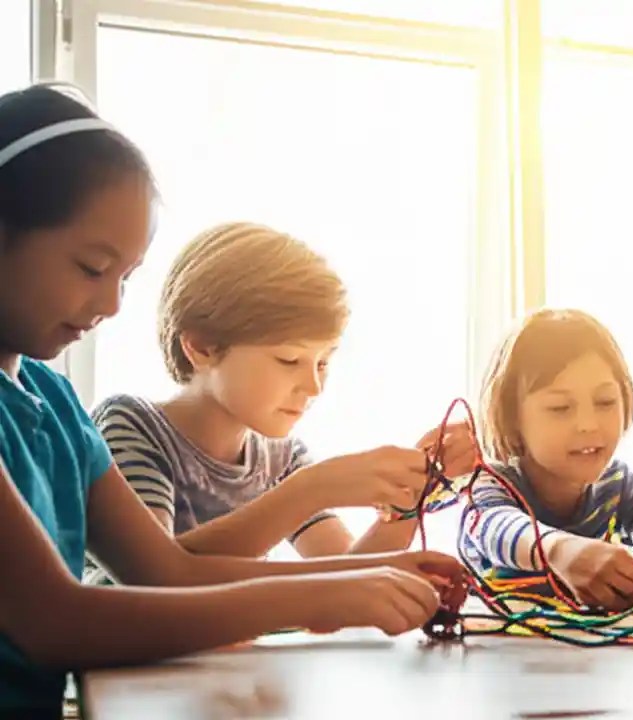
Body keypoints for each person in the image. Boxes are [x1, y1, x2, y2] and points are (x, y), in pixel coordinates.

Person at [0, 84, 462, 716]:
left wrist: (369, 576)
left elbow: (164, 571)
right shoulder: (127, 421)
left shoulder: (53, 399)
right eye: (90, 267)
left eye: (125, 277)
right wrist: (314, 593)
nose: (111, 306)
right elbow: (51, 620)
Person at [86, 222, 473, 584]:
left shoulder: (281, 457)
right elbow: (151, 578)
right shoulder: (132, 425)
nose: (314, 385)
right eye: (289, 360)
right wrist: (310, 490)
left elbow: (336, 576)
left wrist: (412, 499)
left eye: (324, 362)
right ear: (201, 347)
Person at [463, 308, 633, 611]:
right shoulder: (491, 483)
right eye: (560, 407)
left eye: (605, 402)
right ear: (512, 418)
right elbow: (495, 527)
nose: (588, 424)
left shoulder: (616, 484)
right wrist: (560, 550)